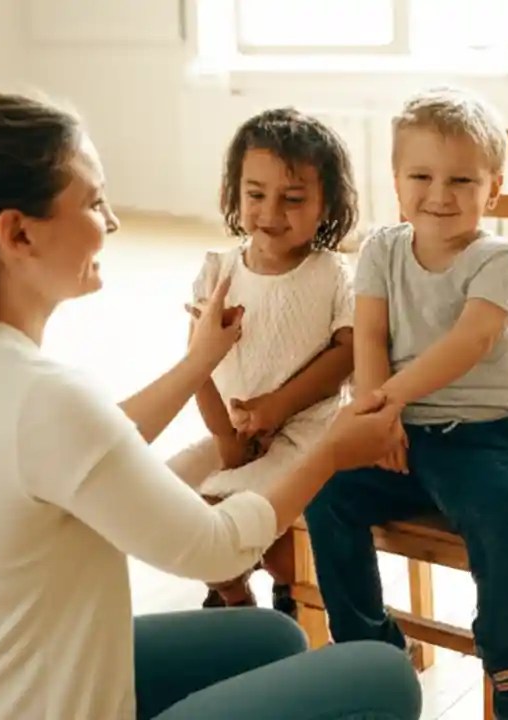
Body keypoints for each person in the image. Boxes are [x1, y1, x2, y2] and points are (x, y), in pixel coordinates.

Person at [0, 91, 422, 720]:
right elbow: (218, 548)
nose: (113, 220)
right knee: (384, 674)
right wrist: (331, 452)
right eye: (94, 201)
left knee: (274, 638)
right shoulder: (40, 397)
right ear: (17, 232)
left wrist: (198, 362)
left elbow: (84, 450)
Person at [303, 86, 508, 720]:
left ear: (492, 190)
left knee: (499, 512)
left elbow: (468, 343)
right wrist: (374, 415)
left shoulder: (497, 259)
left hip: (488, 431)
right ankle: (371, 644)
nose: (439, 194)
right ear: (396, 181)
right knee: (324, 491)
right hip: (403, 430)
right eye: (422, 175)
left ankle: (504, 654)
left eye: (461, 180)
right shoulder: (382, 250)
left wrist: (384, 401)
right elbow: (368, 335)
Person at [165, 108, 358, 616]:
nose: (271, 211)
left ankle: (267, 592)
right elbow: (197, 365)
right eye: (256, 194)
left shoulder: (333, 274)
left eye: (293, 199)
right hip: (231, 433)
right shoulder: (218, 271)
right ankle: (238, 593)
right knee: (160, 494)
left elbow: (348, 354)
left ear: (326, 204)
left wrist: (278, 406)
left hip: (305, 437)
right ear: (236, 193)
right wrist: (226, 439)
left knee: (227, 517)